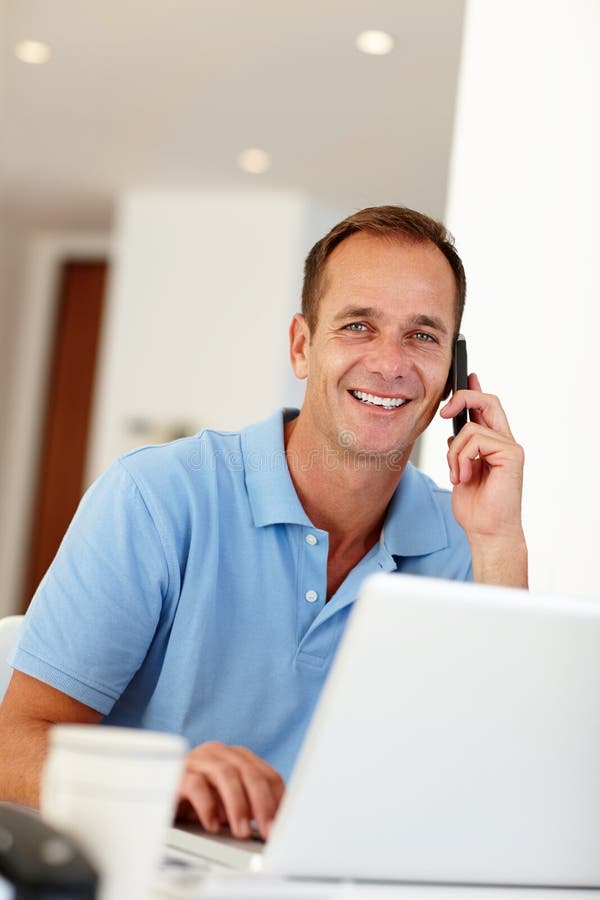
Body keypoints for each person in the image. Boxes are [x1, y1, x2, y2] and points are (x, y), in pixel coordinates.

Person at [0, 206, 527, 842]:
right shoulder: (159, 497)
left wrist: (498, 546)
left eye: (423, 336)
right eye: (359, 326)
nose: (390, 364)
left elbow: (508, 785)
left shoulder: (469, 539)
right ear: (302, 346)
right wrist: (158, 785)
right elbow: (12, 746)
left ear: (452, 371)